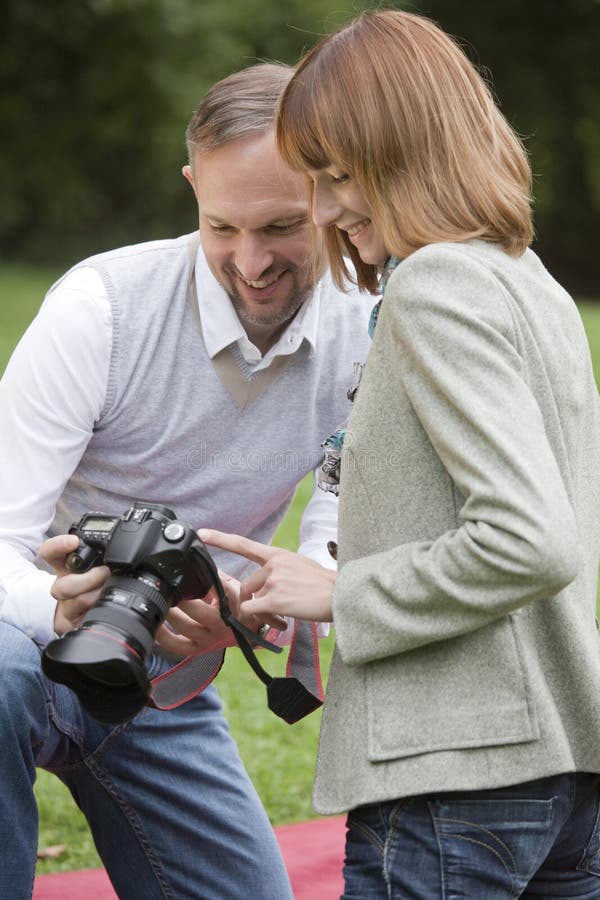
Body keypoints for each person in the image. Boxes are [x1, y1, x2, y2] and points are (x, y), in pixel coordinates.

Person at [201, 11, 600, 898]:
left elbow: (531, 540)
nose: (330, 208)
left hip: (451, 776)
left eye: (342, 176)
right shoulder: (530, 281)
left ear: (414, 153)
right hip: (559, 768)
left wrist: (343, 592)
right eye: (318, 179)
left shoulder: (436, 285)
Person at [0, 63, 372, 900]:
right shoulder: (102, 306)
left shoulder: (368, 326)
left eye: (283, 226)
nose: (251, 263)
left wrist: (271, 601)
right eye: (221, 226)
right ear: (191, 186)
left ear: (336, 196)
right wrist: (61, 607)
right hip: (20, 643)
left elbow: (341, 512)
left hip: (165, 681)